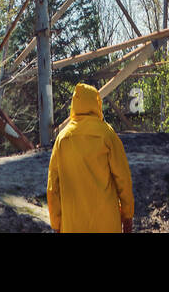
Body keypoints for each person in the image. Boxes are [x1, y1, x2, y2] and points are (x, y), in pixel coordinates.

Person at [46, 83, 134, 234]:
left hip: (72, 226)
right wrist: (127, 216)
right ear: (97, 104)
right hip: (107, 225)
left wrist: (56, 225)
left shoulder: (62, 139)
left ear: (74, 105)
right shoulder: (107, 134)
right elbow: (123, 180)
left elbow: (53, 188)